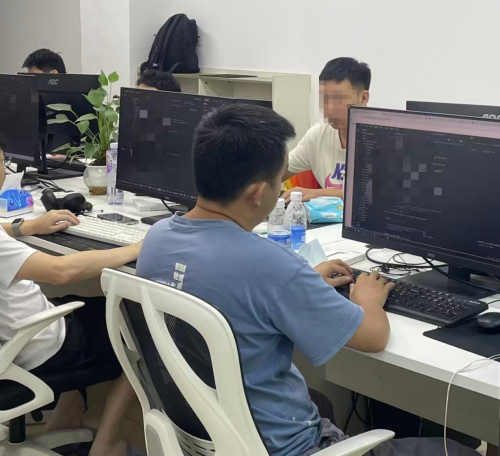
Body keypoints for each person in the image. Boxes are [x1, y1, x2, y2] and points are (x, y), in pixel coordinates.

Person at [136, 104, 478, 456]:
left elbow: (234, 288)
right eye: (280, 180)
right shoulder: (269, 265)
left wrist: (301, 283)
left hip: (208, 432)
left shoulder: (157, 238)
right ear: (258, 193)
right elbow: (373, 337)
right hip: (283, 447)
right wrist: (367, 300)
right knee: (457, 452)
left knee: (321, 401)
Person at [0, 132, 140, 456]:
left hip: (13, 338)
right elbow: (61, 271)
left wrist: (25, 227)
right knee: (138, 322)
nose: (6, 171)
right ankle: (107, 443)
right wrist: (136, 247)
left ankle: (65, 418)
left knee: (83, 305)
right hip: (35, 348)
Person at [283, 57, 370, 203]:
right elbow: (277, 173)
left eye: (338, 99)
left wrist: (317, 194)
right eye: (325, 99)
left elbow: (376, 195)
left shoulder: (383, 142)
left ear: (363, 98)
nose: (329, 109)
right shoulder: (317, 136)